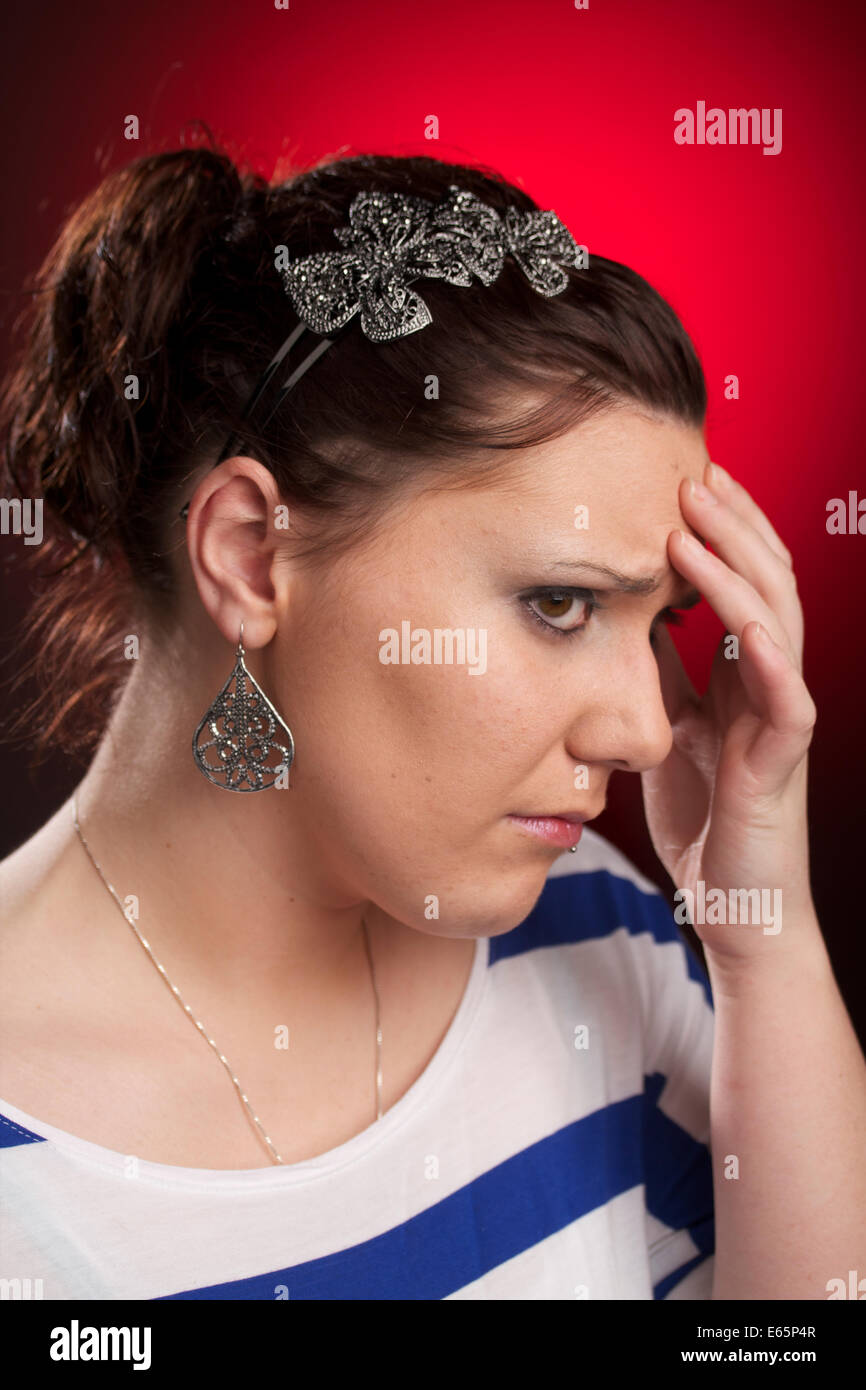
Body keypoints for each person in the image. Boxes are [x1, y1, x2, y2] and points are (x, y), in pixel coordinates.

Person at [0, 140, 862, 1302]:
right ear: (252, 558)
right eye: (559, 602)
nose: (646, 734)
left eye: (658, 621)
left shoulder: (599, 934)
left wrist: (763, 945)